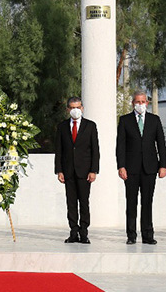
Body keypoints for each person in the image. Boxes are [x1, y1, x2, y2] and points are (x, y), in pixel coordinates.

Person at [116, 90, 166, 245]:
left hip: (150, 168)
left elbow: (161, 144)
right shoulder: (125, 120)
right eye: (137, 102)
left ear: (147, 103)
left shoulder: (154, 120)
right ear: (133, 103)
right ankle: (131, 235)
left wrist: (163, 165)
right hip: (130, 169)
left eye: (143, 102)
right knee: (131, 203)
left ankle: (148, 235)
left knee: (147, 202)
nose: (140, 104)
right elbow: (120, 146)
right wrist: (121, 166)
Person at [55, 96, 100, 244]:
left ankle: (84, 232)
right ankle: (73, 232)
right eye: (72, 108)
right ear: (68, 109)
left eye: (78, 107)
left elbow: (95, 150)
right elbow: (59, 150)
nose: (76, 110)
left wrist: (93, 170)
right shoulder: (62, 127)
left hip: (85, 171)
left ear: (82, 108)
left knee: (84, 202)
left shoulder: (90, 126)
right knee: (71, 203)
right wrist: (59, 170)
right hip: (68, 171)